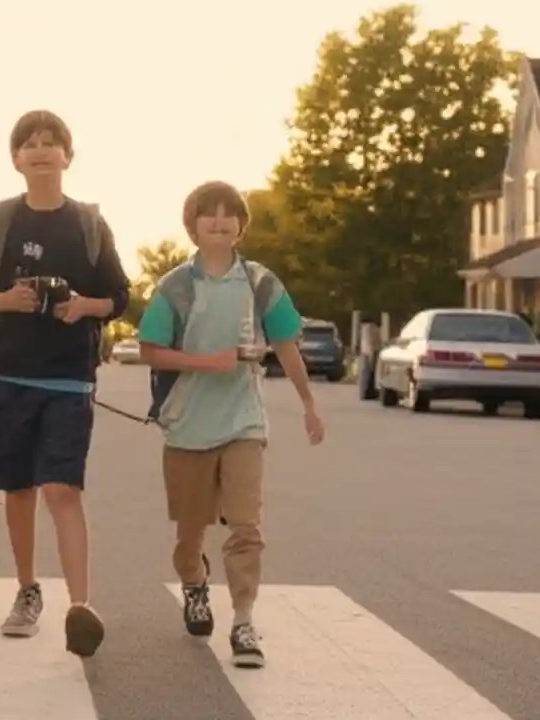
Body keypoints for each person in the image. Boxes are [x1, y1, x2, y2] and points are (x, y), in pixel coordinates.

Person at [0, 109, 130, 657]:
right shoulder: (0, 221)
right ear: (16, 159)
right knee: (17, 490)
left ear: (67, 157)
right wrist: (5, 301)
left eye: (50, 143)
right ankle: (27, 591)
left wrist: (84, 306)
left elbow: (121, 297)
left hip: (67, 381)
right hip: (6, 377)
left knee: (62, 489)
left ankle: (81, 607)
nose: (39, 151)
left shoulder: (88, 224)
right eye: (29, 144)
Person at [136, 180, 325, 668]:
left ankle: (244, 621)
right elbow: (150, 351)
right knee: (189, 536)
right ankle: (195, 584)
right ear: (192, 226)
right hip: (187, 425)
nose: (219, 221)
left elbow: (286, 345)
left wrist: (309, 403)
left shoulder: (261, 283)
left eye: (229, 214)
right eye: (209, 214)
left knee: (246, 527)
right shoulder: (176, 287)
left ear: (241, 225)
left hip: (244, 423)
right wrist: (208, 362)